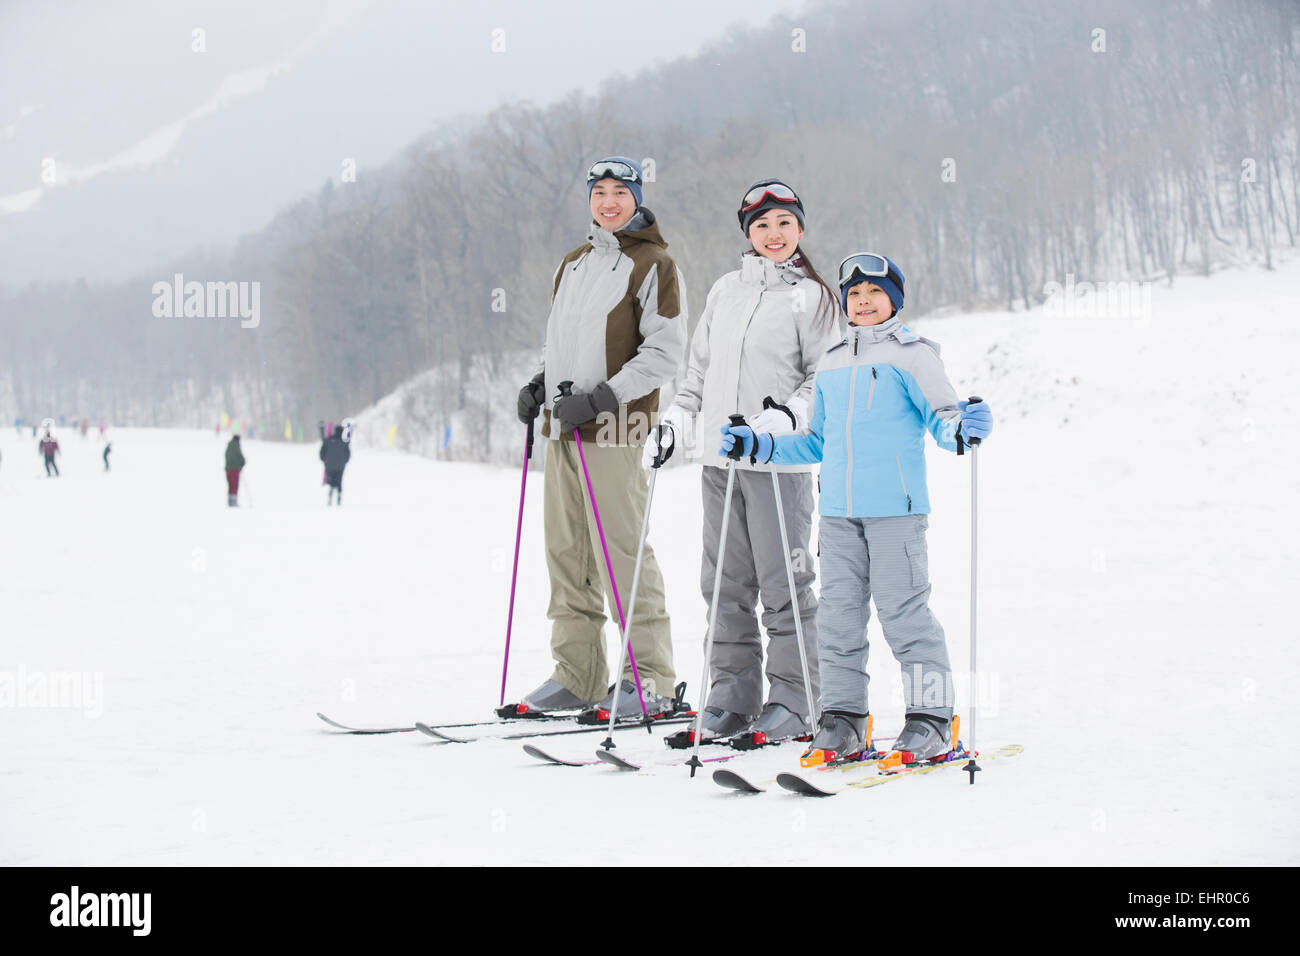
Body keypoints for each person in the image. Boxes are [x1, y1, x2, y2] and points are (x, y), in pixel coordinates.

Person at [721, 252, 994, 761]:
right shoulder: (832, 360)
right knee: (838, 620)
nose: (863, 302)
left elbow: (943, 419)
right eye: (854, 295)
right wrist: (760, 447)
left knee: (904, 614)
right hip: (840, 516)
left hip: (896, 511)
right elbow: (815, 441)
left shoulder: (914, 355)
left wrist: (963, 430)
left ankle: (932, 720)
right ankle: (843, 719)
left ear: (894, 299)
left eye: (874, 293)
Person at [647, 179, 841, 742]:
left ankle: (796, 700)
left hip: (778, 463)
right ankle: (731, 698)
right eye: (761, 226)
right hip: (718, 462)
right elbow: (699, 374)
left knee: (785, 584)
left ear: (800, 230)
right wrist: (676, 420)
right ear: (748, 235)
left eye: (784, 223)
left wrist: (785, 417)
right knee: (725, 585)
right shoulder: (724, 291)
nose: (773, 234)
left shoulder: (815, 298)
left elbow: (821, 379)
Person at [514, 156, 688, 717]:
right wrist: (540, 384)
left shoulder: (654, 264)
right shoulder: (574, 263)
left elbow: (664, 353)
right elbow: (559, 340)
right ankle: (580, 674)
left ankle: (651, 680)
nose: (609, 201)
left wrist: (603, 398)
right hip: (562, 428)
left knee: (621, 553)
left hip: (614, 426)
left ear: (637, 199)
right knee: (567, 553)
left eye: (621, 192)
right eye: (599, 192)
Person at [319, 425, 351, 505]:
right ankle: (339, 494)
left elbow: (322, 452)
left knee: (331, 480)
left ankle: (331, 492)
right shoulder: (344, 443)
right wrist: (344, 462)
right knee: (339, 480)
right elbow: (348, 454)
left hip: (329, 466)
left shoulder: (329, 441)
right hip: (340, 466)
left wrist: (325, 461)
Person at [225, 434, 245, 507]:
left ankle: (230, 501)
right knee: (234, 486)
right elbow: (241, 458)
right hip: (234, 470)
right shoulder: (236, 447)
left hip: (227, 470)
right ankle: (233, 502)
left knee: (230, 485)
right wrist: (241, 465)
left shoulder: (229, 446)